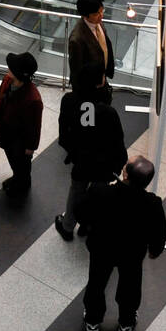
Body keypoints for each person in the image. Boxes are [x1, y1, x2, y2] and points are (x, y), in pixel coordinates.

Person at [76, 155, 166, 331]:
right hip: (132, 254)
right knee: (130, 287)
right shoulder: (152, 204)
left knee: (97, 283)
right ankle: (126, 321)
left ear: (125, 174)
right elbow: (159, 231)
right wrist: (154, 250)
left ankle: (93, 319)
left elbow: (80, 212)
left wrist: (90, 226)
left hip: (102, 249)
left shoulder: (100, 192)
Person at [55, 61, 126, 241]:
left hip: (81, 160)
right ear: (98, 83)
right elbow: (117, 141)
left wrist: (74, 152)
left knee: (76, 190)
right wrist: (118, 164)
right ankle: (87, 225)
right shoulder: (108, 111)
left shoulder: (69, 101)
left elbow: (64, 133)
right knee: (96, 194)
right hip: (103, 165)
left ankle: (67, 226)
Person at [0, 51, 43, 194]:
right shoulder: (8, 81)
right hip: (6, 131)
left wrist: (31, 147)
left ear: (19, 74)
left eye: (12, 68)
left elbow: (35, 127)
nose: (8, 69)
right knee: (13, 160)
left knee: (22, 164)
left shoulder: (33, 100)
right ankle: (17, 177)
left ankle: (22, 183)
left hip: (20, 141)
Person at [68, 0, 114, 97]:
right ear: (85, 15)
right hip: (88, 89)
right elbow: (76, 71)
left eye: (102, 11)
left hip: (102, 80)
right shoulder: (77, 39)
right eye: (96, 14)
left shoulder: (98, 23)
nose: (101, 15)